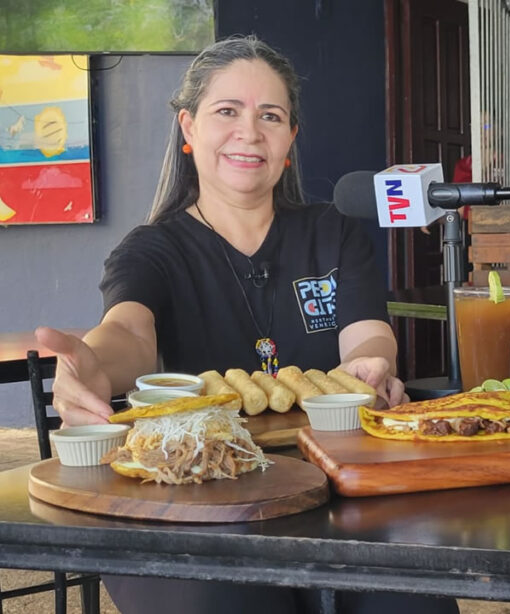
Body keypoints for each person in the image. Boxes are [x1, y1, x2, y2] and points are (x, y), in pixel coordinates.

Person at [34, 35, 457, 614]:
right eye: (227, 111)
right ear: (188, 129)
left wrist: (373, 364)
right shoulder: (152, 250)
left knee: (411, 604)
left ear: (290, 138)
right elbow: (130, 332)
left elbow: (366, 332)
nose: (250, 132)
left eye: (271, 116)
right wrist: (94, 365)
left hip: (331, 483)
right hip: (194, 497)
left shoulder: (332, 232)